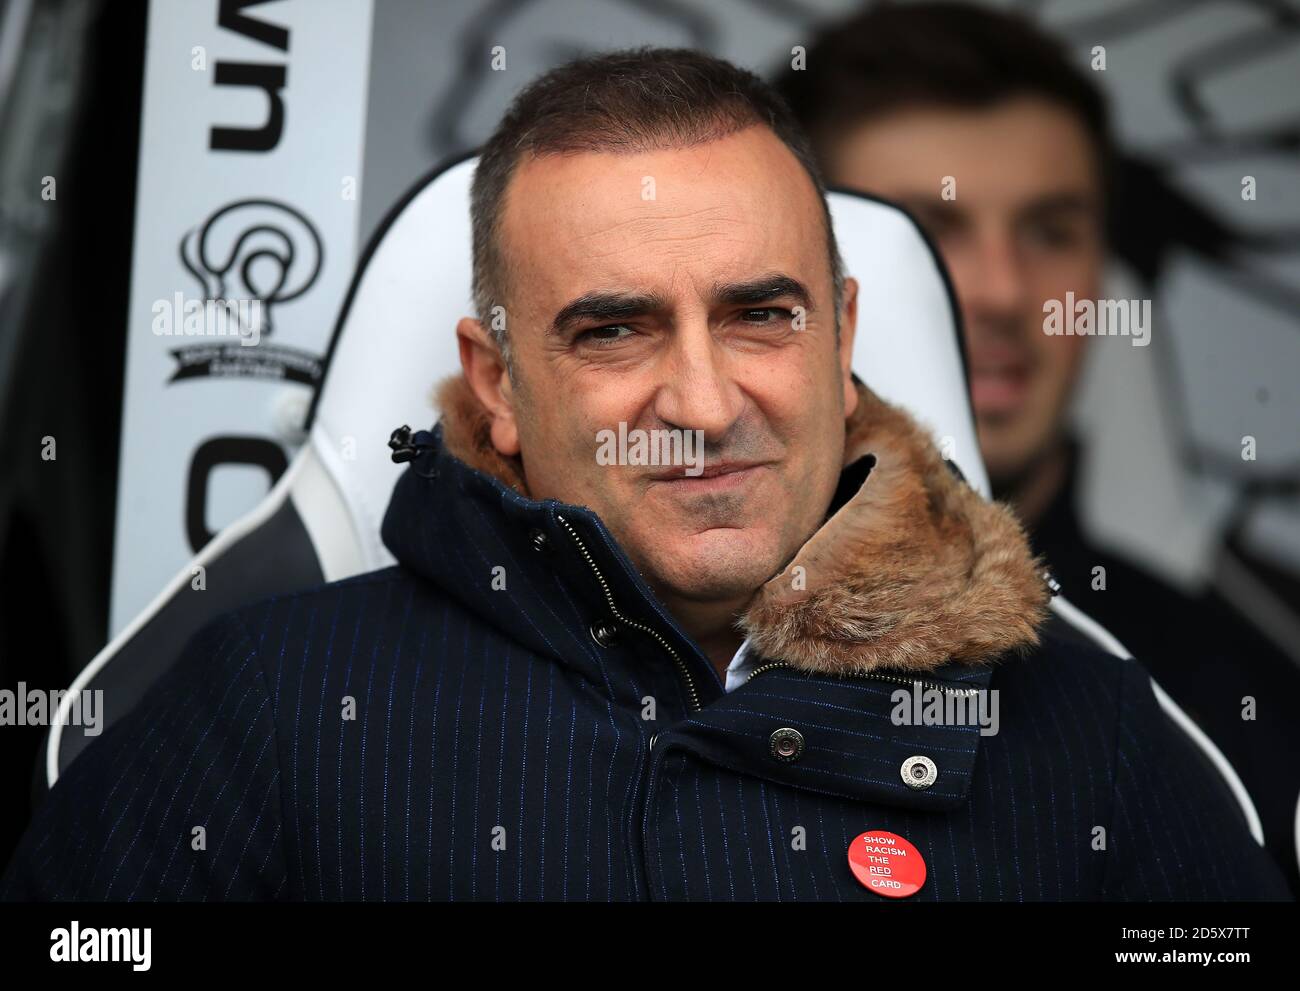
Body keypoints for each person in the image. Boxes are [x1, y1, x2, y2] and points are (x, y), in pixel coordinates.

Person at [2, 48, 1288, 901]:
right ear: (497, 383)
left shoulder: (1090, 739)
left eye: (760, 316)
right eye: (612, 327)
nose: (703, 401)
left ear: (841, 343)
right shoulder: (266, 709)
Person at [776, 0, 1300, 894]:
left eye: (1052, 229)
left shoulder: (1247, 672)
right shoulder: (664, 637)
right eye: (929, 231)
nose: (1004, 290)